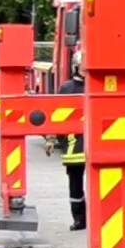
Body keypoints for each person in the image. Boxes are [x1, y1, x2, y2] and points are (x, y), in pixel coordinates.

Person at [48, 49, 86, 231]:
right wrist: (50, 137)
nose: (85, 69)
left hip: (96, 144)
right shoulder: (67, 88)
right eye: (82, 66)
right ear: (76, 67)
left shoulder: (100, 85)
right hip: (74, 145)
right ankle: (79, 217)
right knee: (75, 184)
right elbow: (56, 115)